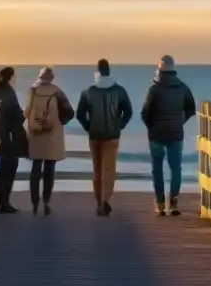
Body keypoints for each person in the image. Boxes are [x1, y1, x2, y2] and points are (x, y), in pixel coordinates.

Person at [76, 58, 133, 216]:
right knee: (109, 170)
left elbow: (79, 114)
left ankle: (98, 201)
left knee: (97, 171)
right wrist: (119, 125)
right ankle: (105, 201)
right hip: (112, 136)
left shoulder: (88, 92)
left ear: (97, 72)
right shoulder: (119, 91)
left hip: (95, 135)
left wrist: (88, 126)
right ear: (109, 72)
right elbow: (128, 112)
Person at [141, 54, 196, 216]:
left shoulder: (154, 88)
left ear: (159, 69)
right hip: (176, 133)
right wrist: (180, 121)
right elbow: (191, 109)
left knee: (157, 169)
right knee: (176, 168)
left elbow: (145, 112)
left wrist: (151, 125)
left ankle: (160, 204)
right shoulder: (182, 87)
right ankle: (173, 202)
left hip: (156, 134)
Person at [24, 66, 75, 215]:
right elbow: (70, 112)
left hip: (35, 134)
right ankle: (46, 202)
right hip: (52, 135)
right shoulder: (57, 92)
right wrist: (59, 121)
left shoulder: (32, 91)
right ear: (51, 78)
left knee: (35, 168)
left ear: (40, 77)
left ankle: (34, 202)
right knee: (49, 170)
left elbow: (27, 112)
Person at [0, 66, 27, 214]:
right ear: (11, 77)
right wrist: (26, 113)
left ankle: (2, 201)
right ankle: (5, 202)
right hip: (8, 136)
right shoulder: (9, 94)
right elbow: (17, 116)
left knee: (3, 170)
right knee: (10, 169)